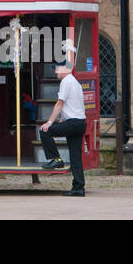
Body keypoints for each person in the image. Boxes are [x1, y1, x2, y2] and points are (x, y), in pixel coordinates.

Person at [39, 60, 87, 196]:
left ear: (66, 68)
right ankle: (78, 188)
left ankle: (56, 160)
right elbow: (75, 104)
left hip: (73, 123)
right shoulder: (75, 82)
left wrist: (49, 122)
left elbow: (60, 103)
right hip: (79, 123)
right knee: (75, 157)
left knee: (44, 131)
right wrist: (64, 118)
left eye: (57, 68)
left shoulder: (66, 81)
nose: (55, 71)